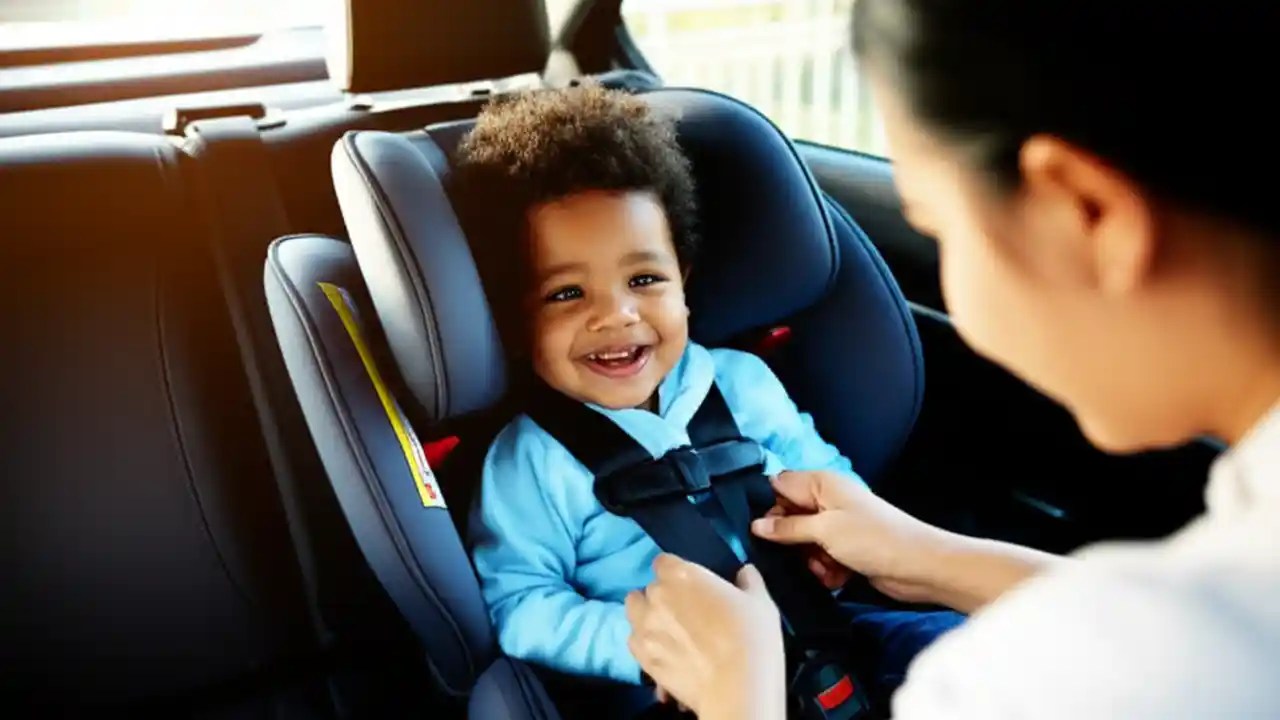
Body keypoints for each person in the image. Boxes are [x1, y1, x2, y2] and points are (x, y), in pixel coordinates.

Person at [624, 1, 1280, 718]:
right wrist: (933, 558)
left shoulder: (1031, 685)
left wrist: (738, 700)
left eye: (938, 224)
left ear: (1085, 214)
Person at [453, 82, 963, 719]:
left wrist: (824, 544)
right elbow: (519, 604)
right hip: (673, 690)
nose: (617, 314)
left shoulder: (741, 382)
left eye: (645, 279)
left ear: (684, 284)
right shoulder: (529, 460)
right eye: (566, 294)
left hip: (826, 641)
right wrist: (639, 645)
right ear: (515, 314)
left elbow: (825, 474)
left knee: (977, 650)